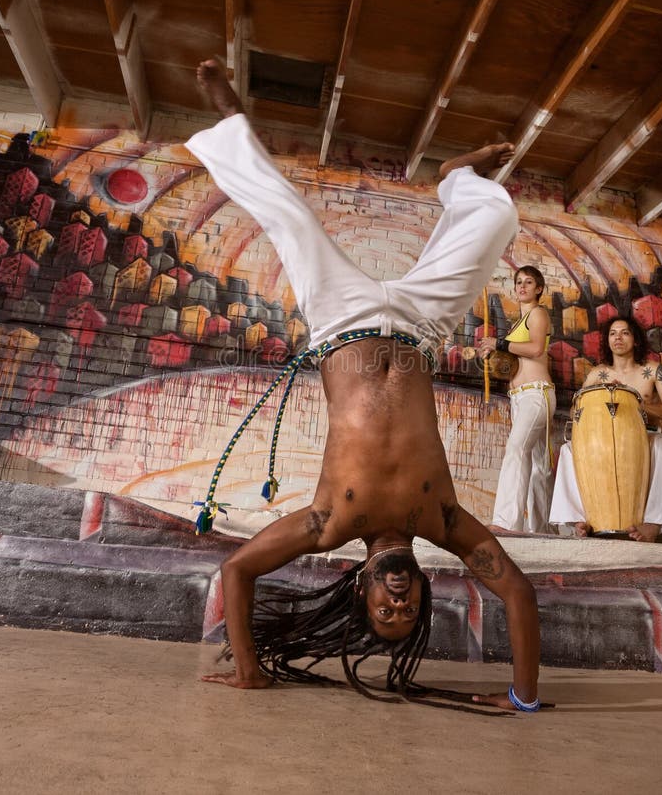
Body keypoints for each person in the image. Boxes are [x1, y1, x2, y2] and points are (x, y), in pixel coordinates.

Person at [185, 58, 544, 713]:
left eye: (384, 613)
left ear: (360, 591)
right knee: (499, 221)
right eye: (407, 615)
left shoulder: (326, 524)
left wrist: (249, 673)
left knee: (288, 214)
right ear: (423, 595)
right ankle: (458, 181)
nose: (397, 603)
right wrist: (522, 699)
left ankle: (230, 117)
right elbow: (518, 593)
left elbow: (235, 571)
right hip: (419, 327)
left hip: (339, 319)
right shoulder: (444, 521)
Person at [549, 315, 662, 542]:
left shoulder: (653, 370)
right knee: (568, 450)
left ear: (635, 340)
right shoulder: (597, 374)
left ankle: (653, 523)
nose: (618, 338)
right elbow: (578, 411)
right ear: (607, 341)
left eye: (625, 332)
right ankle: (580, 519)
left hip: (643, 437)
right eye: (613, 333)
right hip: (602, 442)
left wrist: (637, 404)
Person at [479, 266, 555, 533]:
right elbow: (512, 360)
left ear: (539, 288)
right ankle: (541, 531)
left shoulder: (538, 313)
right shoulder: (517, 323)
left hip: (537, 393)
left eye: (528, 282)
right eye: (518, 282)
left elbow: (535, 348)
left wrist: (498, 344)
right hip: (520, 397)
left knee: (517, 450)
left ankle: (506, 523)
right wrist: (491, 354)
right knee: (539, 468)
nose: (522, 286)